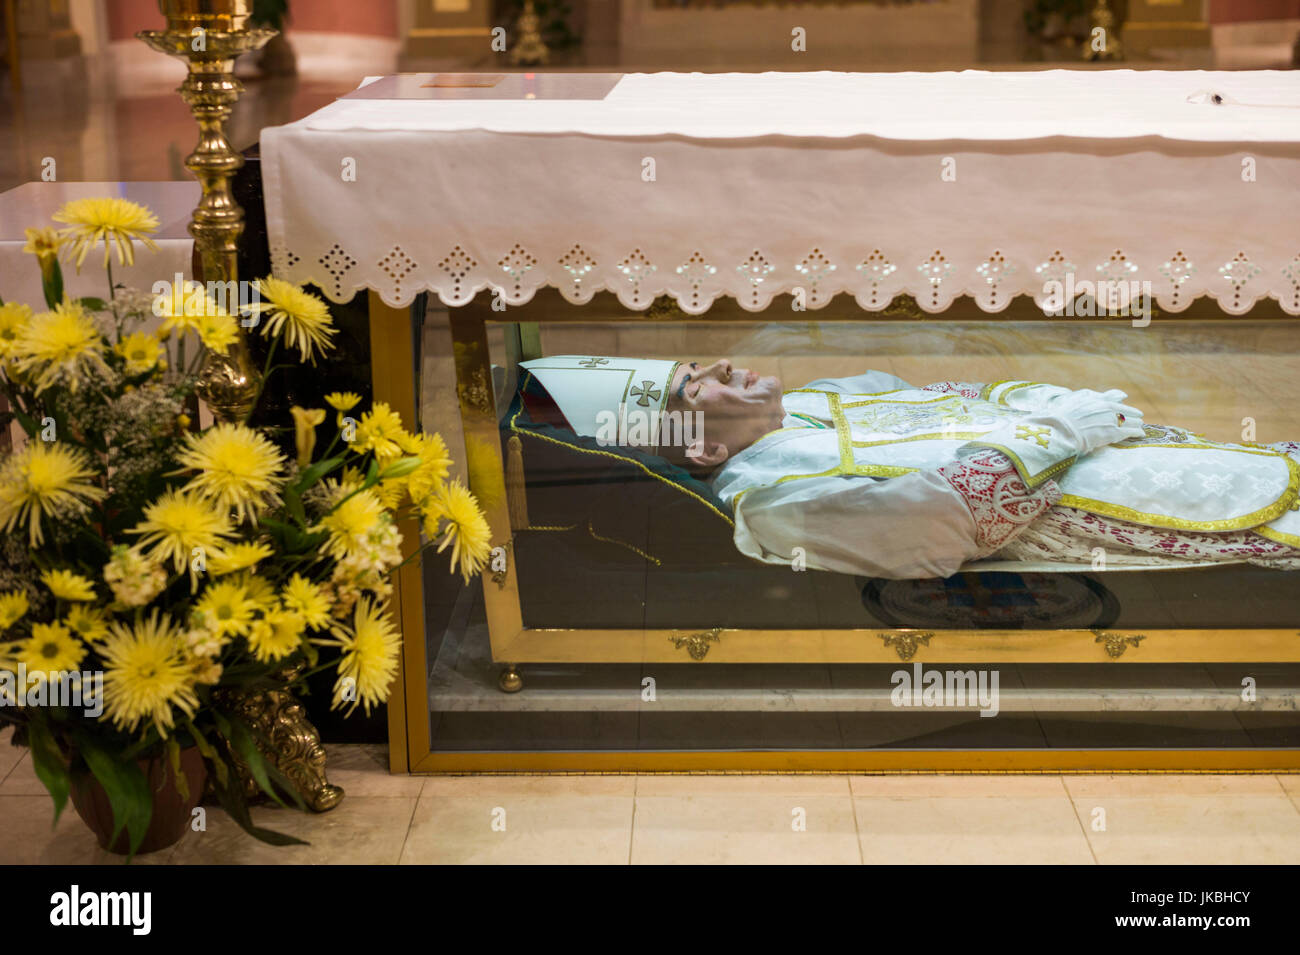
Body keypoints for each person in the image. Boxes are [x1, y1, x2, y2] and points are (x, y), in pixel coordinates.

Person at [519, 356, 1300, 578]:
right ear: (703, 451)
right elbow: (931, 527)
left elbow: (935, 395)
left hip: (1106, 441)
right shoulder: (768, 497)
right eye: (702, 383)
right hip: (1096, 495)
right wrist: (1056, 431)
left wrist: (1044, 402)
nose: (725, 363)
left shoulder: (814, 404)